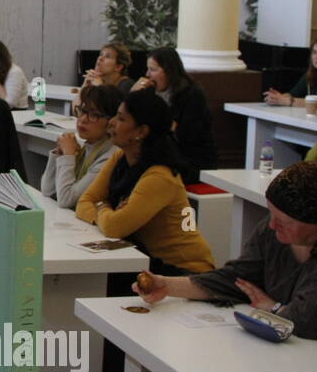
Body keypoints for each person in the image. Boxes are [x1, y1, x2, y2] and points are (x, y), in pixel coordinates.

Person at [135, 162, 317, 347]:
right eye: (272, 215)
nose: (271, 225)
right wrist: (167, 285)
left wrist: (274, 307)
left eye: (282, 220)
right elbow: (237, 279)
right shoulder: (282, 228)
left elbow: (311, 323)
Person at [77, 89, 215, 274]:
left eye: (121, 118)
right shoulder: (120, 157)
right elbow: (84, 202)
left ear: (141, 131)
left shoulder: (159, 176)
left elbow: (114, 227)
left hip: (183, 270)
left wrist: (102, 206)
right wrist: (109, 210)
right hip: (143, 260)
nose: (112, 123)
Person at [129, 46, 216, 182]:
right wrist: (133, 97)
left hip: (190, 160)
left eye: (153, 70)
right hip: (163, 155)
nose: (147, 74)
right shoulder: (150, 92)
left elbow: (188, 135)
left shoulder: (192, 95)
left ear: (169, 71)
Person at [40, 84, 121, 209]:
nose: (83, 119)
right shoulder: (87, 145)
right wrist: (59, 153)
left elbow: (66, 200)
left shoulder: (110, 156)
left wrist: (68, 155)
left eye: (94, 115)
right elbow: (47, 190)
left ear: (111, 122)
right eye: (82, 111)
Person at [263, 36, 317, 111]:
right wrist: (278, 97)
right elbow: (294, 93)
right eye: (314, 52)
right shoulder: (312, 74)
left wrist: (288, 101)